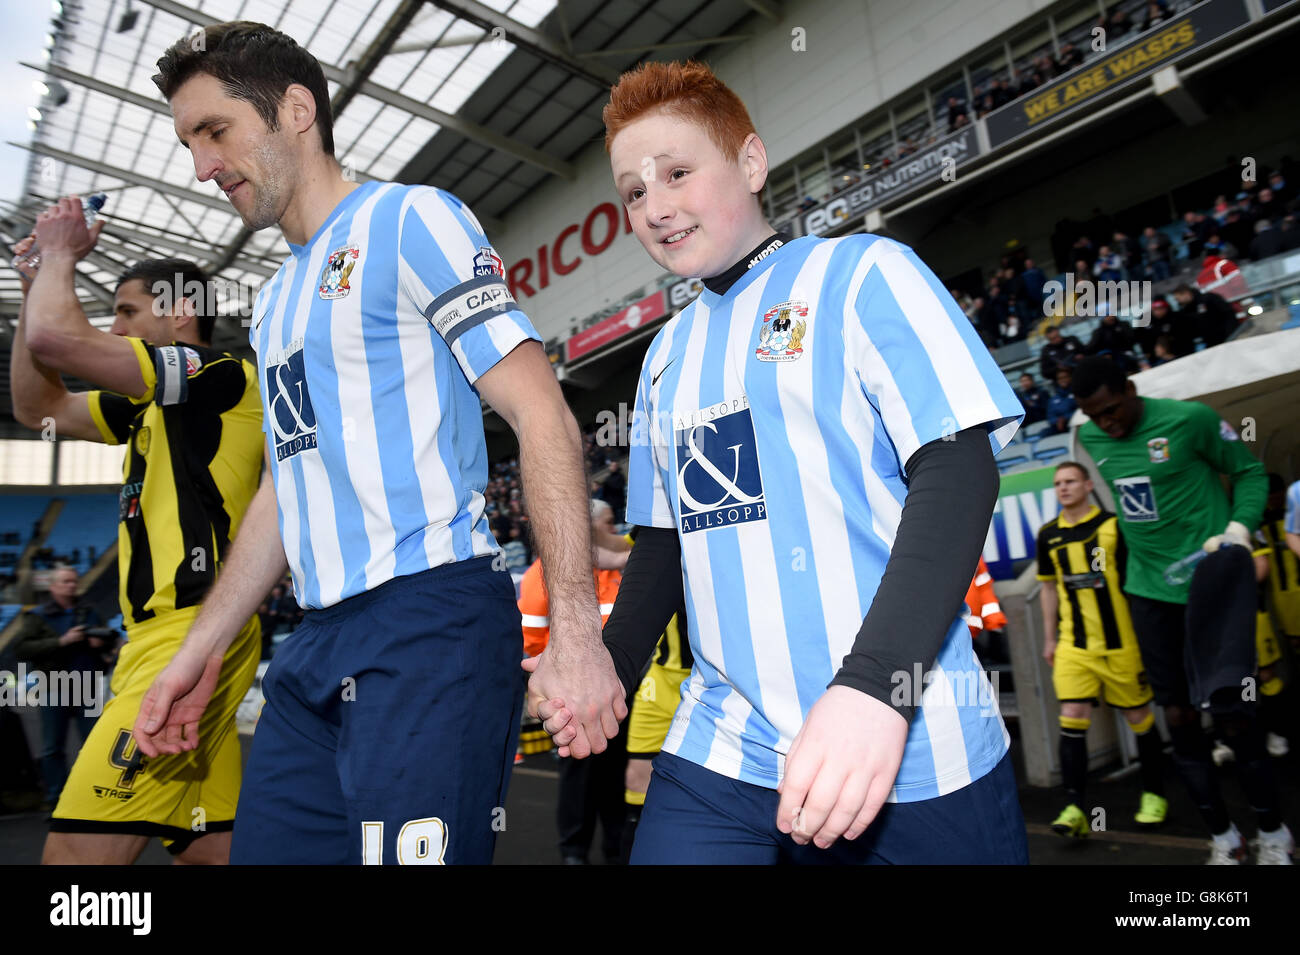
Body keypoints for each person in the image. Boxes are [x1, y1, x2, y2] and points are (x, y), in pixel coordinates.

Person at [135, 21, 623, 865]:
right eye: (188, 142)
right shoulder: (278, 301)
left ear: (296, 110)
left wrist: (577, 631)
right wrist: (198, 651)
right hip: (317, 646)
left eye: (214, 131)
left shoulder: (412, 219)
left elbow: (541, 412)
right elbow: (287, 492)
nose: (202, 166)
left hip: (427, 621)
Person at [537, 60, 1029, 864]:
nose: (654, 206)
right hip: (724, 749)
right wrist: (611, 662)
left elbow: (959, 468)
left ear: (752, 162)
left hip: (901, 737)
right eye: (632, 191)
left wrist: (876, 687)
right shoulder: (664, 357)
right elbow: (666, 544)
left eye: (678, 173)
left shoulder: (863, 273)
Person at [11, 240, 264, 864]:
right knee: (212, 851)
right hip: (163, 639)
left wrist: (59, 260)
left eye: (126, 312)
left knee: (75, 861)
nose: (115, 327)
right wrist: (31, 289)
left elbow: (56, 339)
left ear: (181, 312)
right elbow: (35, 407)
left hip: (190, 635)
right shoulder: (147, 404)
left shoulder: (220, 376)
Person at [1072, 357, 1292, 863]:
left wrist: (1239, 528)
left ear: (1130, 388)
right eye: (1093, 414)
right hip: (1149, 591)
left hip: (1210, 586)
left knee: (1234, 717)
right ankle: (1224, 838)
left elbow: (1251, 473)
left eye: (1111, 409)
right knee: (1178, 717)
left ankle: (1275, 834)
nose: (1106, 423)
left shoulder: (1190, 419)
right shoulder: (1092, 438)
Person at [1036, 462, 1167, 838]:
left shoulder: (1113, 526)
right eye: (1058, 483)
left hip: (1120, 644)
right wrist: (1050, 638)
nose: (1063, 488)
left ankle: (1155, 795)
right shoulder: (1048, 535)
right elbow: (1047, 588)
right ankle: (1075, 807)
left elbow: (1135, 582)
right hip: (1074, 647)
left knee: (1138, 716)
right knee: (1072, 715)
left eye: (1070, 481)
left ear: (1088, 484)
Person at [520, 500, 630, 864]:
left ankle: (613, 851)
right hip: (573, 701)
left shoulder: (624, 568)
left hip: (626, 696)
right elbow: (532, 642)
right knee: (578, 777)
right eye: (608, 524)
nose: (615, 532)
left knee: (617, 781)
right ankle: (574, 853)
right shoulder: (541, 575)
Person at [10, 566, 109, 808]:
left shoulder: (89, 611)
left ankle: (95, 795)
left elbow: (109, 640)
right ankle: (57, 800)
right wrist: (61, 641)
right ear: (52, 586)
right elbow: (21, 649)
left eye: (74, 581)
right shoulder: (38, 615)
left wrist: (102, 643)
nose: (71, 585)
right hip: (54, 686)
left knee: (95, 745)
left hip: (88, 686)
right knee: (52, 747)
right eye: (65, 582)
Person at [1172, 282, 1238, 348]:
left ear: (1186, 293)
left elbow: (1228, 314)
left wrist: (1231, 333)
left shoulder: (1209, 298)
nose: (1178, 301)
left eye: (1178, 298)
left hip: (1229, 336)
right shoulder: (1186, 311)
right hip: (1212, 343)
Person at [1046, 366, 1077, 435]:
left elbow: (1080, 410)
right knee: (1044, 433)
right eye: (1060, 378)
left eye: (1065, 377)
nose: (1063, 380)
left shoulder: (1078, 393)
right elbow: (1050, 417)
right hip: (1058, 426)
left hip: (1076, 424)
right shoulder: (1053, 399)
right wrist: (1057, 420)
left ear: (1070, 378)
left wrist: (1065, 418)